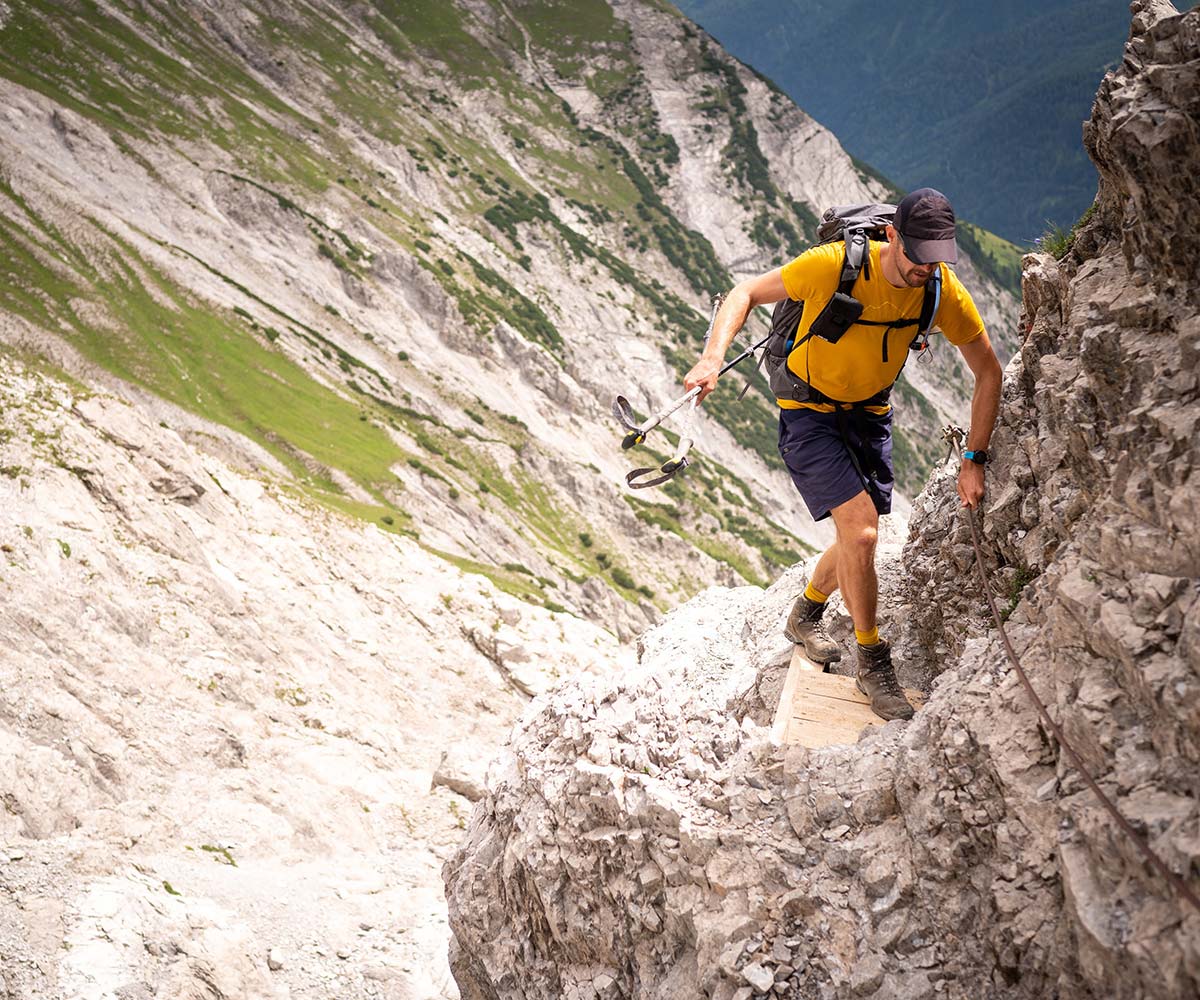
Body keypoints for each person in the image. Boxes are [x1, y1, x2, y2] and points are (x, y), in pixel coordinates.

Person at [684, 188, 1002, 721]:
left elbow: (988, 371)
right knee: (861, 532)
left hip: (869, 412)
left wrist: (974, 458)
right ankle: (873, 661)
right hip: (807, 410)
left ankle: (805, 613)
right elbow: (743, 293)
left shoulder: (941, 292)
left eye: (937, 257)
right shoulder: (835, 265)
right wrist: (712, 358)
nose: (927, 268)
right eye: (918, 254)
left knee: (859, 534)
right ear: (892, 236)